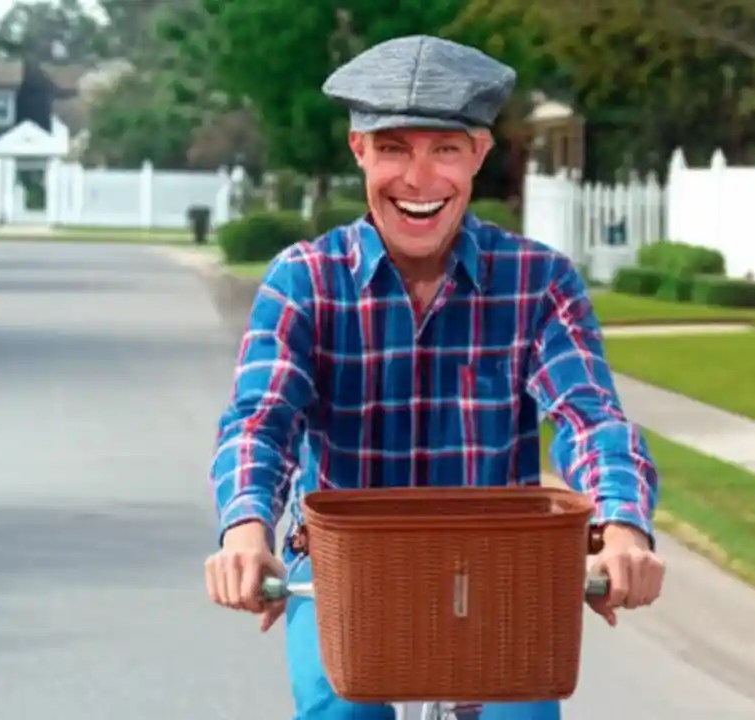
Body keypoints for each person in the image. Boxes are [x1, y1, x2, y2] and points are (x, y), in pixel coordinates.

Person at [204, 34, 665, 720]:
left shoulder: (539, 281)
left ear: (479, 154)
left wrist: (624, 528)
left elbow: (588, 416)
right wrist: (246, 531)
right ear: (358, 150)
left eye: (445, 149)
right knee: (341, 708)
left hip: (501, 571)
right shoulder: (304, 279)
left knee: (520, 713)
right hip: (347, 575)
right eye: (394, 148)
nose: (419, 181)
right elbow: (261, 421)